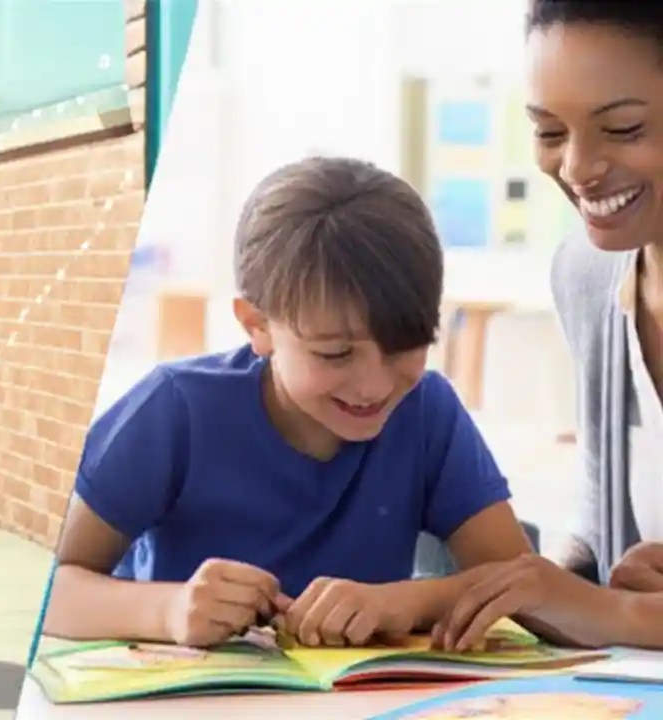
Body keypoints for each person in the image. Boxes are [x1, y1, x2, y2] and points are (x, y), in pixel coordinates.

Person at [41, 156, 533, 649]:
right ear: (257, 325)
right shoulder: (175, 410)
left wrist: (401, 601)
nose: (373, 385)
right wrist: (168, 610)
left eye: (405, 345)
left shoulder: (427, 412)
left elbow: (522, 584)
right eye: (335, 354)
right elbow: (48, 588)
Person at [433, 1, 663, 652]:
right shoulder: (590, 276)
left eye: (622, 128)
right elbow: (596, 544)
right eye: (549, 132)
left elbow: (608, 611)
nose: (578, 168)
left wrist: (619, 615)